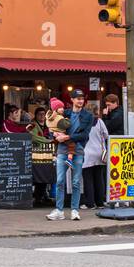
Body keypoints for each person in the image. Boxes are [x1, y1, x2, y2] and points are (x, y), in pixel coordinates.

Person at [48, 92, 94, 221]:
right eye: (78, 99)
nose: (80, 101)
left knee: (76, 182)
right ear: (72, 99)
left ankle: (74, 210)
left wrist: (67, 137)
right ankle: (59, 210)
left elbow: (85, 135)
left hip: (78, 151)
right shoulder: (65, 113)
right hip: (62, 150)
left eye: (82, 99)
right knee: (60, 181)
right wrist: (55, 135)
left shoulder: (88, 116)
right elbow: (52, 127)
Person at [81, 102, 111, 210]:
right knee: (99, 179)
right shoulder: (99, 122)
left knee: (88, 179)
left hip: (87, 153)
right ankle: (100, 203)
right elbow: (106, 135)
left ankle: (90, 203)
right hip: (100, 153)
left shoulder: (83, 122)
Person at [28, 106, 57, 207]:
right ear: (35, 115)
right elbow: (32, 137)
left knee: (45, 176)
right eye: (39, 114)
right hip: (36, 154)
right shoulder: (32, 125)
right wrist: (48, 141)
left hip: (48, 153)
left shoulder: (47, 124)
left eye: (43, 114)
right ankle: (38, 197)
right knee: (39, 177)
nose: (42, 116)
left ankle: (43, 195)